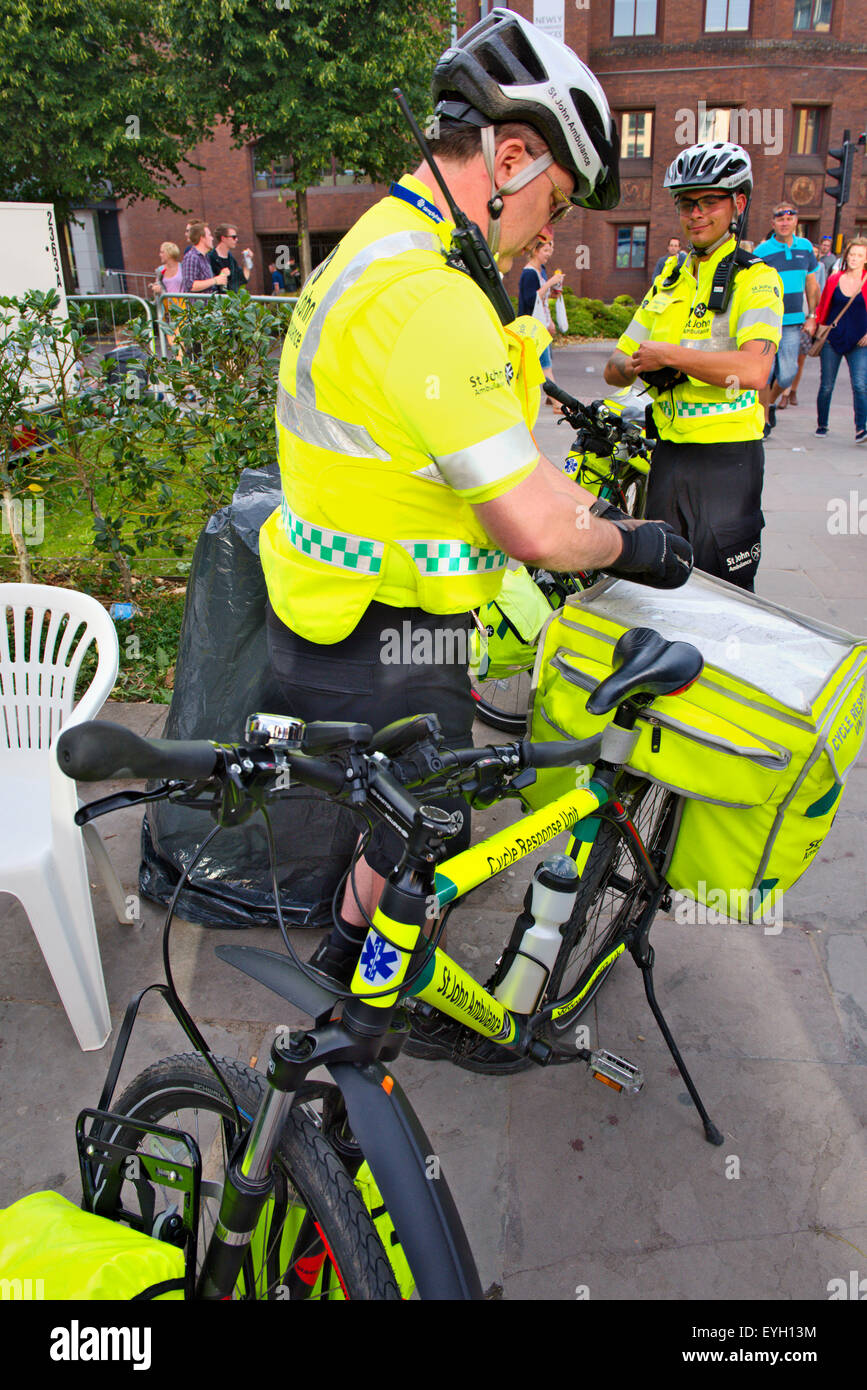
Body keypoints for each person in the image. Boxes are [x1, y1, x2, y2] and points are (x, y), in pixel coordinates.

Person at [261, 8, 692, 1072]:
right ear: (510, 156)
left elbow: (478, 444)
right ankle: (344, 1053)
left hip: (330, 615)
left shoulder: (381, 250)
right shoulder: (429, 297)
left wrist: (508, 295)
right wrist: (631, 544)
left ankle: (341, 971)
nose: (551, 229)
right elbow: (537, 518)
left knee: (385, 830)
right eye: (553, 197)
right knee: (419, 832)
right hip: (388, 636)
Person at [604, 140, 783, 593]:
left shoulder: (756, 279)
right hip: (667, 454)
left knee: (726, 590)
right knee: (665, 579)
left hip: (727, 460)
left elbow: (756, 370)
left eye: (709, 202)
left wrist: (670, 356)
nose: (696, 214)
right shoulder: (667, 280)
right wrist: (635, 364)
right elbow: (614, 365)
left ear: (737, 204)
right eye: (687, 204)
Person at [752, 206, 819, 437]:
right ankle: (764, 419)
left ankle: (768, 403)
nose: (784, 223)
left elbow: (812, 284)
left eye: (789, 219)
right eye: (780, 219)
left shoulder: (806, 248)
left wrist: (812, 316)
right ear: (773, 223)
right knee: (765, 373)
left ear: (796, 222)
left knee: (788, 373)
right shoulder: (763, 251)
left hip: (793, 321)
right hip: (769, 320)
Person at [812, 236, 867, 443]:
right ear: (846, 256)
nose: (854, 258)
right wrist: (819, 326)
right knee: (826, 385)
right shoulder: (835, 278)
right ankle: (822, 424)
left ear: (865, 258)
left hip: (859, 342)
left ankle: (861, 428)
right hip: (832, 339)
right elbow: (823, 305)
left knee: (861, 384)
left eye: (859, 255)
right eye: (852, 254)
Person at [518, 233, 565, 407]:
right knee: (545, 365)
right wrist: (549, 283)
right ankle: (557, 403)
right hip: (531, 326)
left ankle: (551, 397)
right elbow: (530, 300)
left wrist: (550, 320)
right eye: (546, 250)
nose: (549, 253)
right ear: (535, 250)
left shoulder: (541, 271)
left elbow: (542, 301)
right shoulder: (529, 273)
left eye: (551, 250)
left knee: (537, 364)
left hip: (540, 324)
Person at [150, 241, 183, 355]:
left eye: (162, 252)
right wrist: (156, 289)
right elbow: (158, 284)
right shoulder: (160, 270)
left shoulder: (182, 268)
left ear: (169, 253)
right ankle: (182, 368)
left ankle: (183, 368)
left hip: (182, 307)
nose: (160, 255)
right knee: (173, 343)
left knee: (181, 341)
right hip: (167, 309)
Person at [180, 222, 230, 294]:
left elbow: (206, 282)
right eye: (209, 235)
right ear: (202, 238)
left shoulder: (205, 257)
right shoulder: (191, 257)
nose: (212, 238)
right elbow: (190, 285)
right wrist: (215, 280)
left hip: (207, 304)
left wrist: (220, 276)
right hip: (196, 304)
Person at [209, 224, 252, 292]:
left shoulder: (231, 259)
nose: (236, 239)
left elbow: (243, 279)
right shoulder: (211, 257)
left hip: (231, 300)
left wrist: (247, 261)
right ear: (223, 238)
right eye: (233, 237)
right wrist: (221, 276)